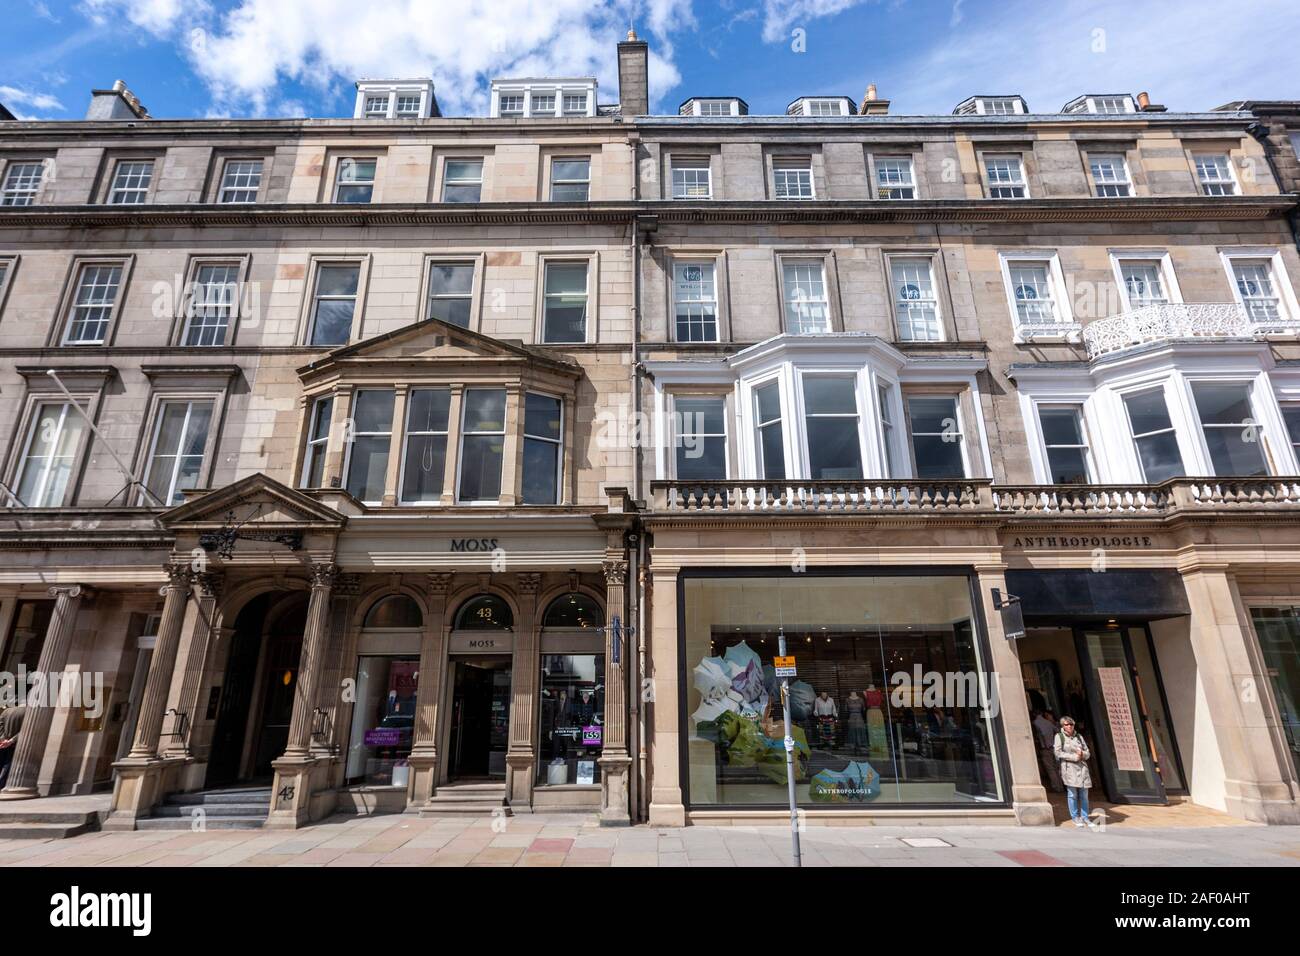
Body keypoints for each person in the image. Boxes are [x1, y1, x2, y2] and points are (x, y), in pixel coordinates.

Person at [1053, 715, 1098, 829]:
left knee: (1084, 794)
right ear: (1062, 726)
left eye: (1071, 724)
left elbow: (1087, 752)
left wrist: (1082, 754)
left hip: (1082, 768)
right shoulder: (1059, 736)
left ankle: (1085, 817)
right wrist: (1074, 757)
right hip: (1070, 768)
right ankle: (1075, 816)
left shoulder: (1079, 736)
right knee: (1072, 794)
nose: (1069, 726)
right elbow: (1058, 753)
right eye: (1066, 724)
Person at [1032, 708, 1063, 791]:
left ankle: (1056, 787)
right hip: (1054, 747)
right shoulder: (1048, 722)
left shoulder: (1035, 723)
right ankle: (1061, 786)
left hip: (1045, 748)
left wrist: (1045, 743)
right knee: (1057, 768)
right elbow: (1058, 731)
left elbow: (1042, 734)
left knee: (1050, 769)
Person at [0, 705, 26, 788]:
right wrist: (11, 741)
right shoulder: (27, 712)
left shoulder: (7, 711)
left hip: (2, 744)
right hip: (13, 745)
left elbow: (0, 726)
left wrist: (3, 739)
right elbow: (24, 730)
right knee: (7, 768)